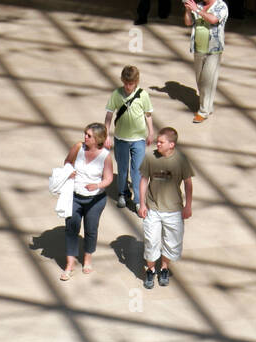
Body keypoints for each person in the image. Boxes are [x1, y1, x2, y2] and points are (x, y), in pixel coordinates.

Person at [138, 128, 194, 289]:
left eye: (161, 142)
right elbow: (143, 180)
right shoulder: (150, 157)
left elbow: (188, 183)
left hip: (174, 210)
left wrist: (188, 205)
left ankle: (164, 268)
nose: (158, 144)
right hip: (152, 208)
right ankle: (150, 270)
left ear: (171, 144)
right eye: (158, 141)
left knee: (171, 242)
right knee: (151, 241)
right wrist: (142, 204)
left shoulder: (181, 160)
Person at [59, 125, 114, 280]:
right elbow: (67, 161)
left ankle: (87, 259)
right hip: (75, 196)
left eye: (89, 136)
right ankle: (70, 264)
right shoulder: (78, 147)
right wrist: (70, 171)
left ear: (98, 139)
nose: (85, 137)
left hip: (95, 199)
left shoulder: (105, 156)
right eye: (85, 134)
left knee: (91, 230)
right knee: (71, 228)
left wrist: (96, 185)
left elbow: (108, 178)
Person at [104, 67, 155, 209]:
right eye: (126, 83)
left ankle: (139, 199)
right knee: (122, 168)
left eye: (131, 83)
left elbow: (148, 115)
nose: (128, 86)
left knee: (137, 170)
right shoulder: (116, 94)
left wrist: (151, 132)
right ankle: (123, 193)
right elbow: (109, 115)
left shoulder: (143, 95)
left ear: (136, 82)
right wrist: (106, 135)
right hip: (121, 139)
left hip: (138, 139)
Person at [185, 0, 229, 123]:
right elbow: (188, 22)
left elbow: (213, 20)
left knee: (207, 80)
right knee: (200, 80)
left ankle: (203, 111)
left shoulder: (221, 6)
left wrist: (197, 10)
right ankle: (208, 107)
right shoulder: (198, 5)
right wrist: (188, 10)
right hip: (198, 48)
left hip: (213, 50)